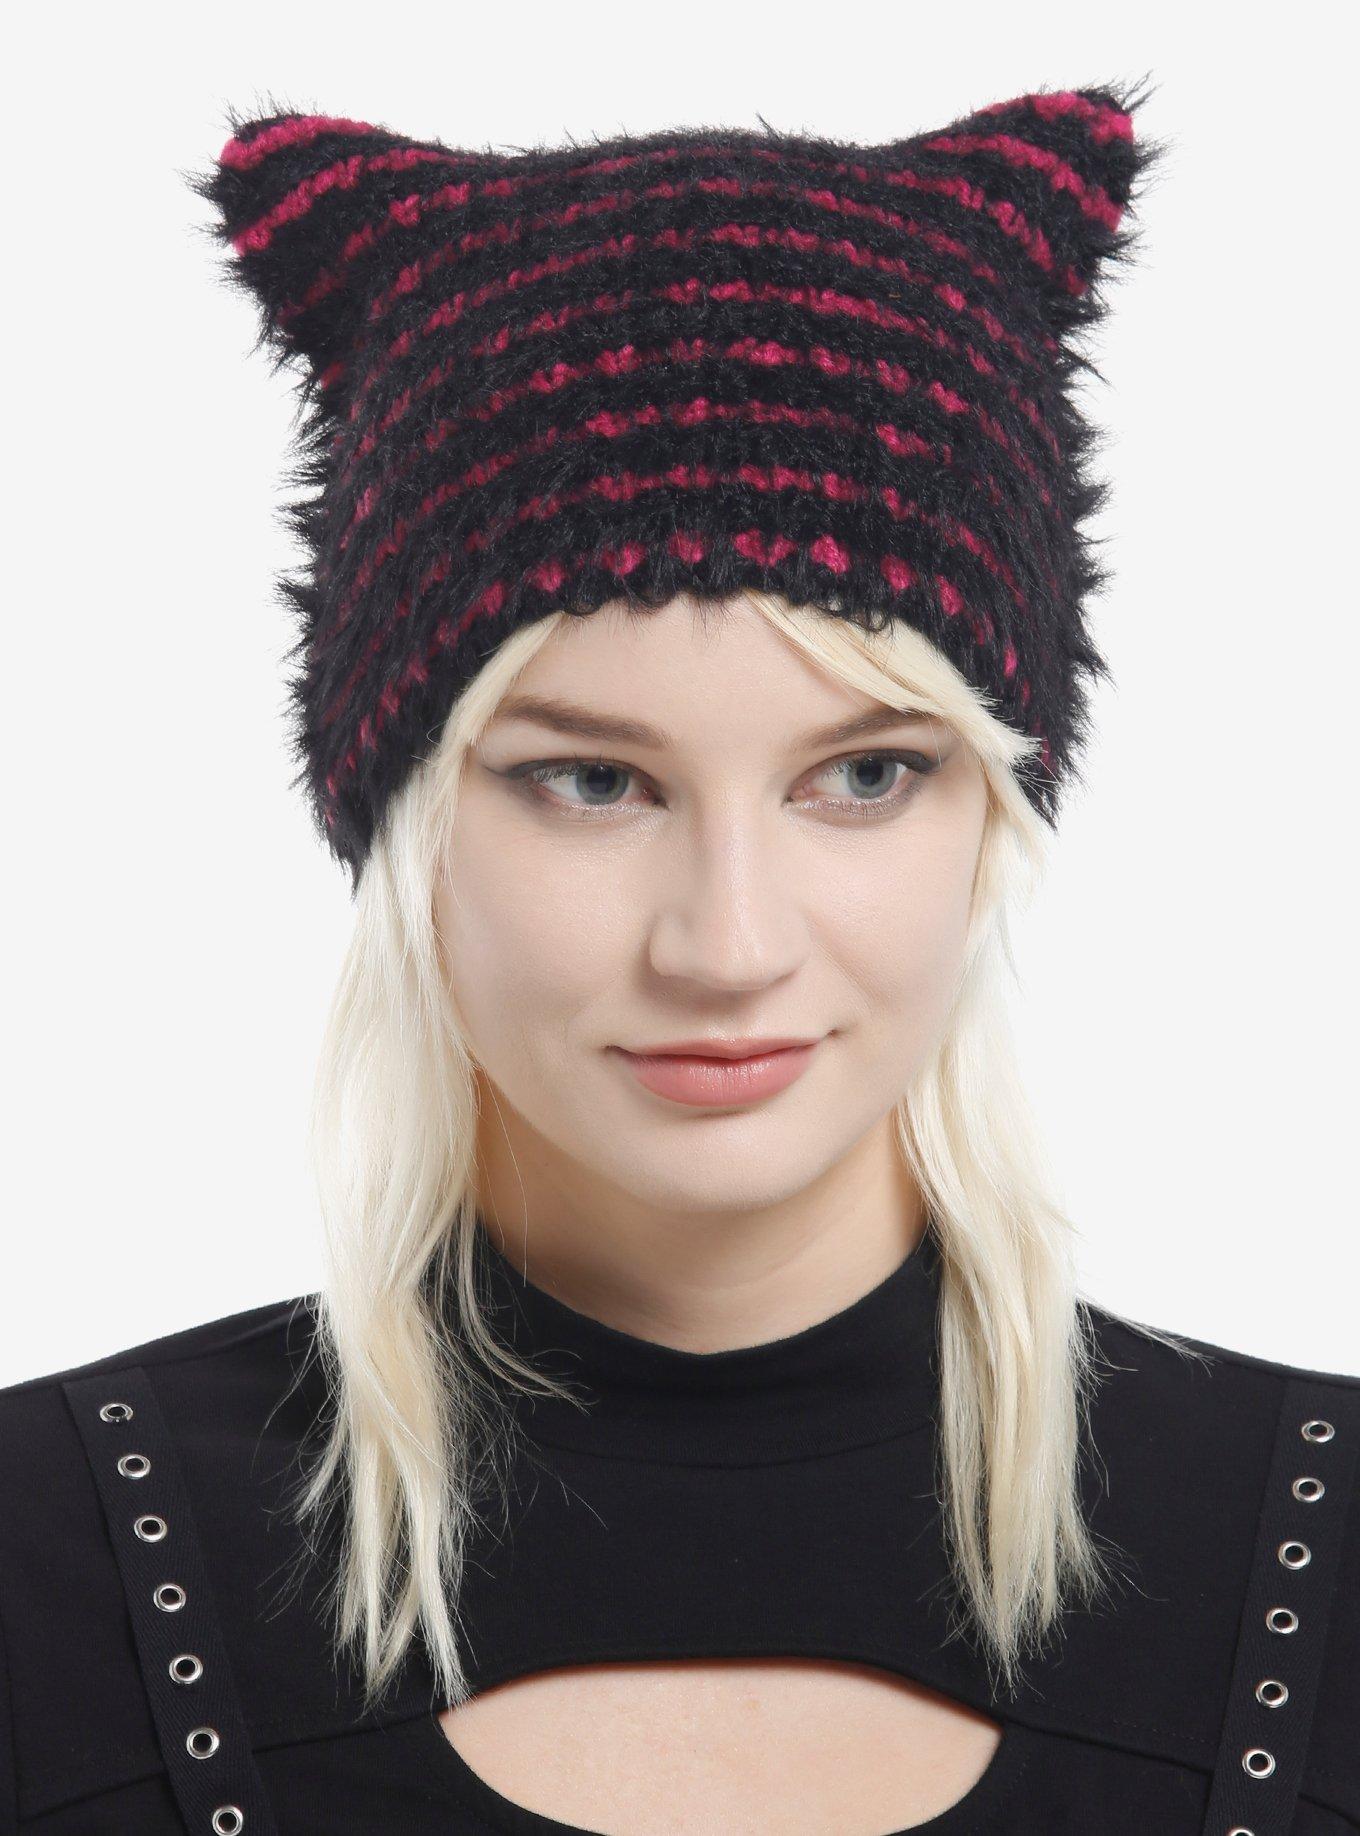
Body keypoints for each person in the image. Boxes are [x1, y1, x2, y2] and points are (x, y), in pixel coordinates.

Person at [0, 80, 1355, 1836]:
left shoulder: (1319, 1553)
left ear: (995, 810)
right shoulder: (48, 1564)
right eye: (592, 780)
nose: (728, 945)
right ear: (400, 818)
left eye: (864, 777)